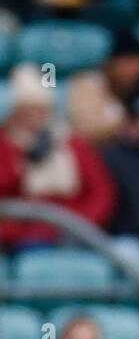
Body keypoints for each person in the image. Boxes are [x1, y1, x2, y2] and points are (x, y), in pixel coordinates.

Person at [0, 63, 118, 248]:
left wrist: (79, 225)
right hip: (21, 236)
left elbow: (101, 193)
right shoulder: (5, 144)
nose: (34, 117)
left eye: (40, 110)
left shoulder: (72, 143)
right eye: (28, 110)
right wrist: (21, 163)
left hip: (72, 232)